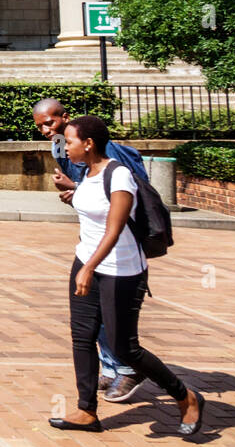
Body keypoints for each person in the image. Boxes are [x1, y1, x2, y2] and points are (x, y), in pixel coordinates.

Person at [47, 115, 205, 438]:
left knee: (125, 348)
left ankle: (185, 396)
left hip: (121, 271)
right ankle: (86, 410)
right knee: (82, 337)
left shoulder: (119, 176)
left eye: (72, 141)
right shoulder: (88, 174)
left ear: (88, 144)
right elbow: (91, 208)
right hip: (86, 262)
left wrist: (90, 268)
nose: (68, 146)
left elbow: (115, 229)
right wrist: (72, 191)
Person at [33, 97, 149, 403]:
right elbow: (89, 186)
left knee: (114, 317)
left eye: (51, 122)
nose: (46, 129)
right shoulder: (60, 146)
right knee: (91, 316)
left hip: (117, 248)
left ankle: (129, 368)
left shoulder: (98, 146)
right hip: (91, 243)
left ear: (65, 117)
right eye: (40, 125)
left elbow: (120, 192)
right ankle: (111, 368)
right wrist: (73, 189)